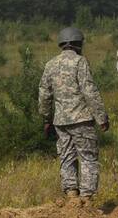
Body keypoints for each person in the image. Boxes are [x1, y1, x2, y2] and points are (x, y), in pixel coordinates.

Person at [37, 27, 109, 202]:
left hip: (60, 122)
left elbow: (44, 94)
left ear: (62, 44)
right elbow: (89, 91)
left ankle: (71, 194)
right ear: (78, 44)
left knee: (66, 156)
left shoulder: (50, 64)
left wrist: (46, 119)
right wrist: (101, 117)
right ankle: (86, 198)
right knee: (88, 157)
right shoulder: (80, 62)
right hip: (82, 119)